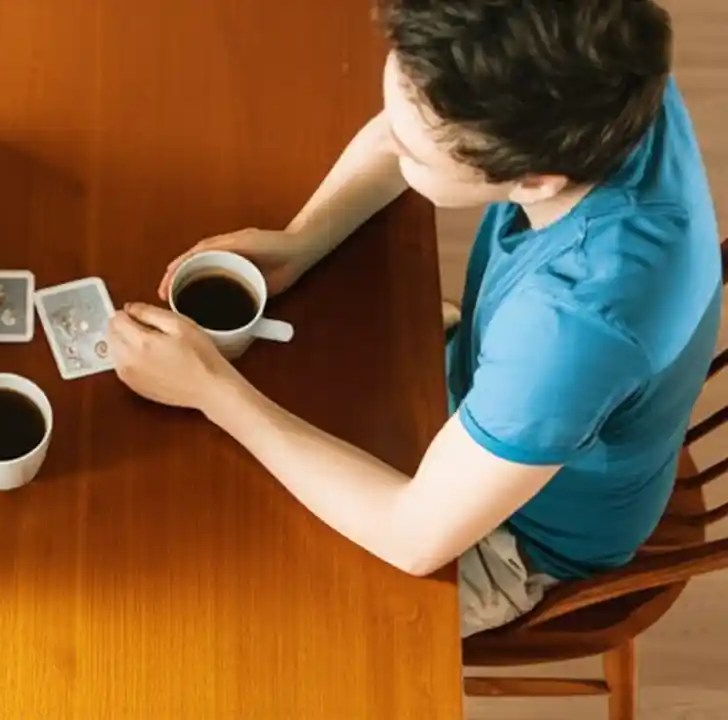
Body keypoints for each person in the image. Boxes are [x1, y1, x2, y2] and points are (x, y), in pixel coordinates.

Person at [108, 0, 720, 637]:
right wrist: (305, 238)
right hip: (492, 388)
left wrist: (213, 391)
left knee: (238, 619)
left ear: (535, 180)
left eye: (412, 154)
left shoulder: (577, 325)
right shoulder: (596, 63)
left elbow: (413, 536)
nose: (390, 141)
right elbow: (414, 117)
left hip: (512, 536)